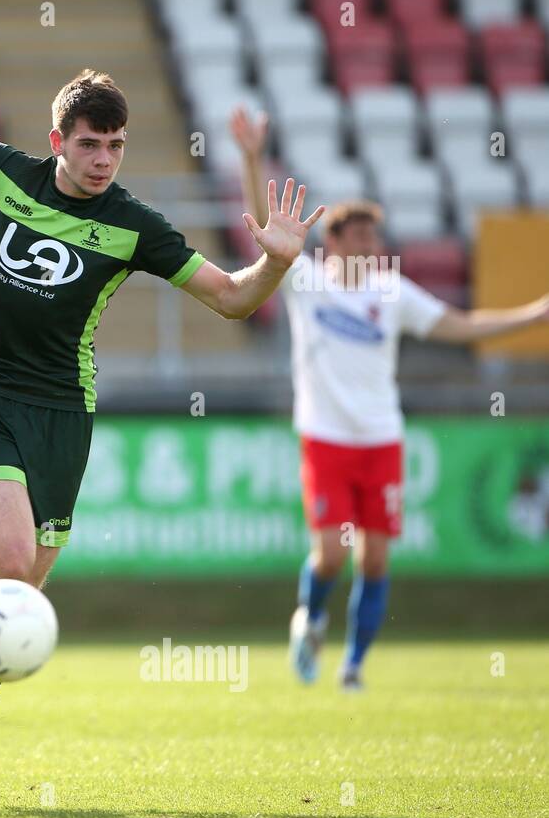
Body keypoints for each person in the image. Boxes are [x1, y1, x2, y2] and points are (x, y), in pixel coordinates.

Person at [0, 0, 325, 806]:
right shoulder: (7, 171)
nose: (104, 158)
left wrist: (277, 264)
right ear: (57, 143)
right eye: (89, 144)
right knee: (4, 567)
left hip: (66, 414)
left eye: (114, 144)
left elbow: (230, 298)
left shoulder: (136, 225)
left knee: (22, 596)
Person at [229, 106, 549, 691]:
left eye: (375, 236)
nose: (372, 245)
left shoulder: (391, 292)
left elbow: (459, 325)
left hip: (381, 441)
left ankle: (352, 667)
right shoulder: (308, 283)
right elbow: (263, 231)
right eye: (362, 236)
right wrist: (252, 157)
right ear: (336, 242)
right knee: (329, 555)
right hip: (325, 439)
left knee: (374, 561)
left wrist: (535, 314)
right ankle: (312, 614)